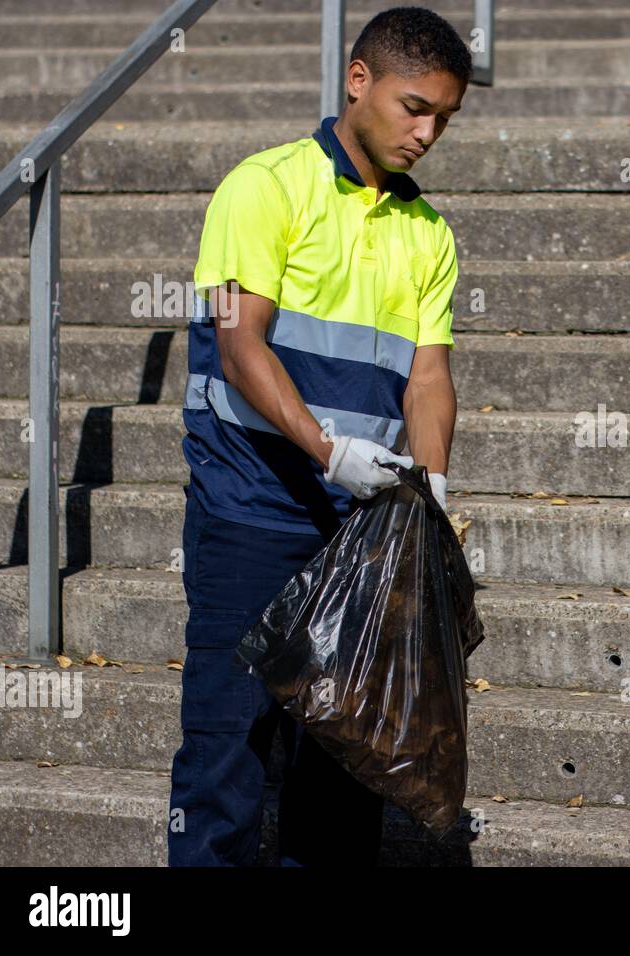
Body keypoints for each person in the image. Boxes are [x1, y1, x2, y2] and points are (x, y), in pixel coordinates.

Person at [167, 6, 471, 867]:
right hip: (250, 509)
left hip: (362, 528)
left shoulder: (430, 233)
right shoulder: (260, 187)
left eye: (444, 118)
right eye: (415, 107)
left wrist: (432, 482)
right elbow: (237, 342)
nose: (427, 132)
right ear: (358, 79)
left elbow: (428, 376)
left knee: (347, 758)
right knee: (226, 751)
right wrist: (329, 450)